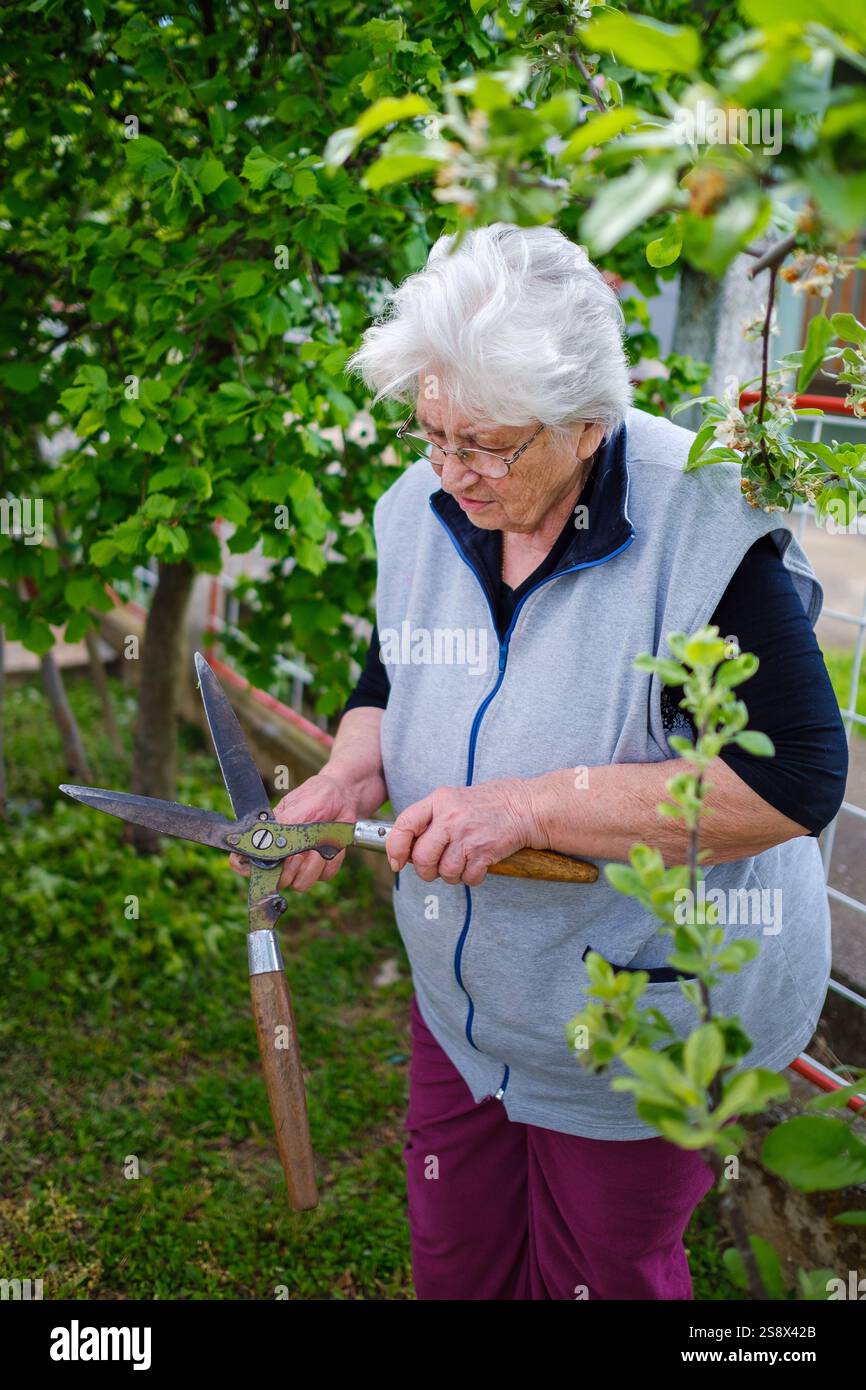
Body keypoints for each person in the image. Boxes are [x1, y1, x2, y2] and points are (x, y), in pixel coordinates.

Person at [230, 223, 847, 1300]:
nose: (449, 471)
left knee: (600, 1272)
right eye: (430, 433)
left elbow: (791, 782)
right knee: (458, 1256)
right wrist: (345, 775)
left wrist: (526, 807)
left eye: (485, 444)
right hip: (465, 1002)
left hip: (634, 1019)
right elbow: (390, 680)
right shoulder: (420, 510)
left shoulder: (702, 522)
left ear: (583, 424)